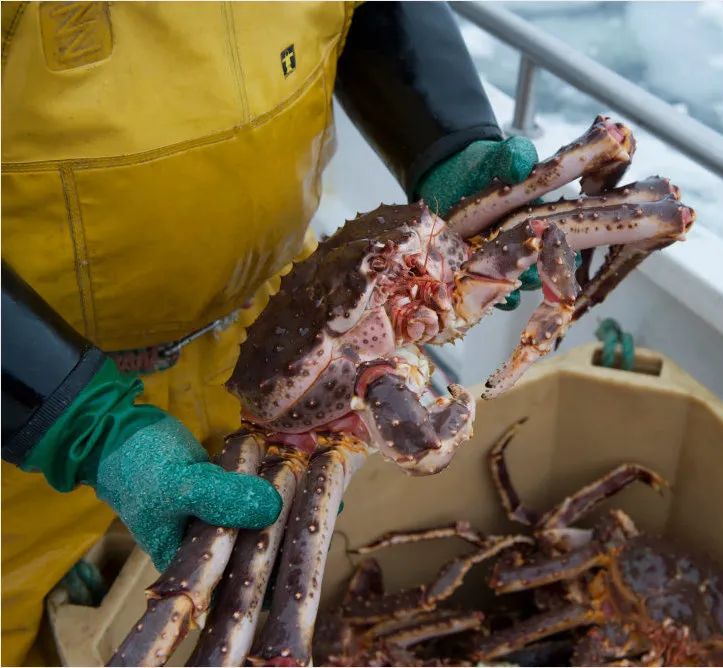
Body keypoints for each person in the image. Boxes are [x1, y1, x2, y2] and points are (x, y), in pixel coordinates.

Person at [0, 2, 539, 663]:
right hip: (38, 386)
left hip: (273, 322)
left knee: (267, 600)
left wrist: (447, 139)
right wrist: (70, 417)